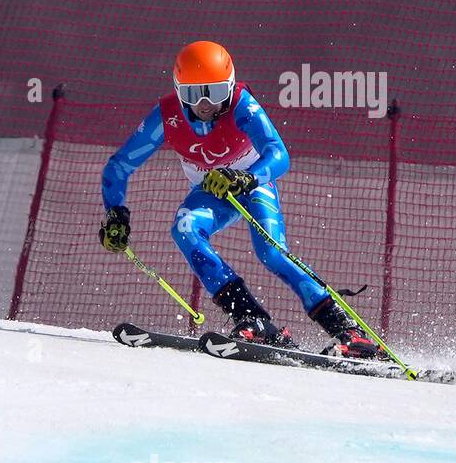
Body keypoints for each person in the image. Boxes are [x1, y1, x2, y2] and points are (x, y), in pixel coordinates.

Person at [99, 40, 383, 358]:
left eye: (216, 91)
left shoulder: (242, 106)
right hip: (213, 192)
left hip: (252, 185)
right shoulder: (168, 116)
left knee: (271, 252)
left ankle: (349, 332)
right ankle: (253, 320)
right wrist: (115, 214)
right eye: (194, 95)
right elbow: (119, 166)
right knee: (185, 228)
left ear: (231, 86)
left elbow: (279, 155)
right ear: (179, 92)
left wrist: (246, 177)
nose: (206, 103)